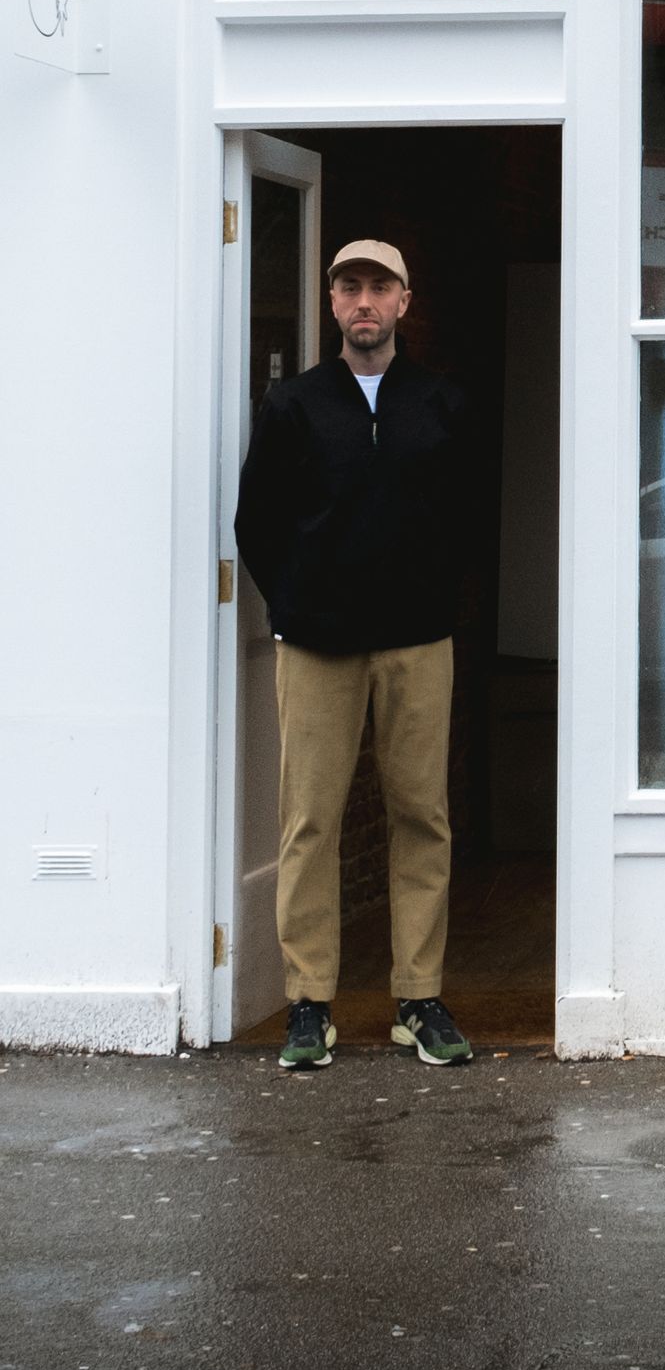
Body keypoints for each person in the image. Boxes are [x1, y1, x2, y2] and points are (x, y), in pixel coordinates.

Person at [235, 238, 474, 1073]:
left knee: (422, 817)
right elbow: (255, 522)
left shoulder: (439, 403)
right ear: (331, 304)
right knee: (310, 820)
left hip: (417, 641)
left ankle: (419, 998)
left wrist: (438, 599)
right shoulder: (294, 405)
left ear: (405, 301)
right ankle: (311, 1003)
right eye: (349, 288)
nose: (363, 302)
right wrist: (296, 604)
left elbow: (466, 517)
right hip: (319, 645)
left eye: (379, 287)